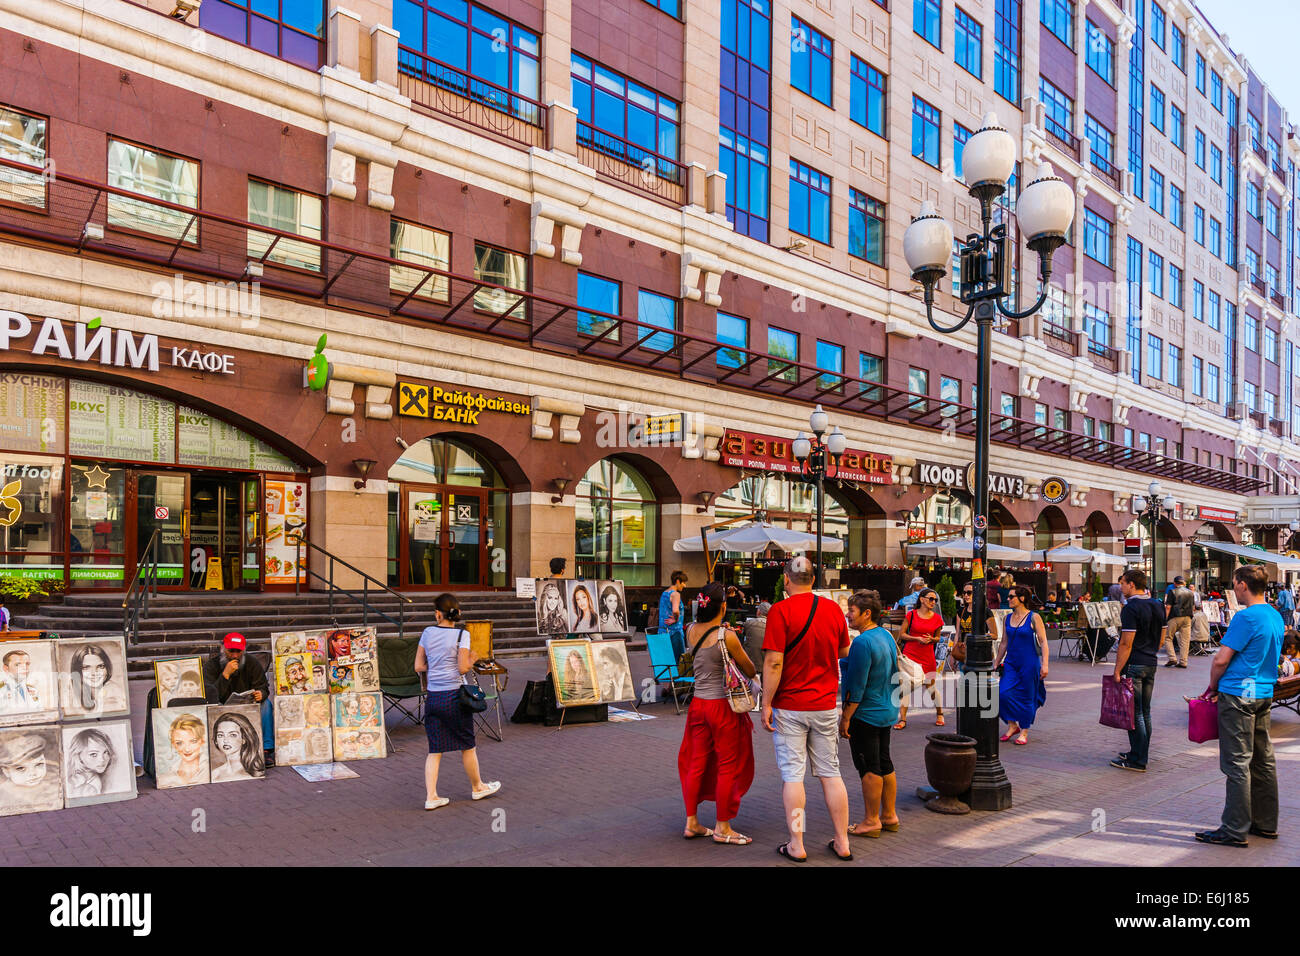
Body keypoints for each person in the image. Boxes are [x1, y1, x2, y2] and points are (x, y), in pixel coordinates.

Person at [762, 556, 853, 863]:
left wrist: (766, 703)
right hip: (825, 704)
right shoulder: (832, 610)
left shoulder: (780, 611)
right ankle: (842, 841)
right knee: (831, 774)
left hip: (790, 706)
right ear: (814, 579)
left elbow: (774, 662)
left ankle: (797, 842)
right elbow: (844, 651)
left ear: (787, 579)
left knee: (793, 776)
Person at [1195, 565, 1283, 847]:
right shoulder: (1274, 615)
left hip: (1237, 693)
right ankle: (1265, 823)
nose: (1234, 588)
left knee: (1236, 763)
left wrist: (1212, 687)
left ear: (1243, 585)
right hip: (1263, 692)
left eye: (1235, 583)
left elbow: (1220, 659)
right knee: (1263, 760)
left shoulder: (1246, 617)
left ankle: (1233, 829)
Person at [677, 582, 756, 846]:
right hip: (722, 707)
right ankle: (723, 826)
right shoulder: (726, 636)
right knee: (727, 765)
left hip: (697, 704)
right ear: (723, 606)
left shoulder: (690, 630)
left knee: (696, 762)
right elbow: (749, 667)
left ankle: (692, 822)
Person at [414, 593, 500, 810]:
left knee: (435, 750)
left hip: (434, 697)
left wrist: (436, 667)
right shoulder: (462, 635)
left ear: (437, 614)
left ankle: (431, 796)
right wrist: (471, 660)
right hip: (455, 696)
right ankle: (477, 786)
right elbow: (462, 668)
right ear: (457, 614)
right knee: (467, 745)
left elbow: (418, 666)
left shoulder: (427, 632)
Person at [840, 590, 901, 838]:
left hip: (866, 713)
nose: (847, 614)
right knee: (884, 762)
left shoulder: (862, 642)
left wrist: (845, 718)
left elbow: (856, 687)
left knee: (869, 767)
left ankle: (871, 821)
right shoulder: (884, 635)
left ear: (867, 613)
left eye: (852, 610)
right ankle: (889, 816)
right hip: (886, 708)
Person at [1110, 569, 1166, 772]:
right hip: (1151, 662)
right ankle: (1138, 752)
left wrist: (1117, 670)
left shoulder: (1131, 608)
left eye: (1123, 583)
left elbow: (1126, 643)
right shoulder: (1158, 605)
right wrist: (1149, 649)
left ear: (1132, 584)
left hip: (1134, 664)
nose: (1121, 587)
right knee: (1145, 712)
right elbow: (1162, 639)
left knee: (1136, 713)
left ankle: (1138, 759)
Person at [203, 633, 274, 766]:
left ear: (244, 650)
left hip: (247, 705)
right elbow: (209, 695)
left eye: (238, 651)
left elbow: (263, 686)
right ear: (223, 649)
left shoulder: (252, 663)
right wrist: (225, 675)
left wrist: (261, 693)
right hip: (222, 705)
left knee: (266, 704)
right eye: (231, 651)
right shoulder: (211, 666)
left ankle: (266, 749)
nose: (235, 655)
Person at [994, 586, 1049, 745]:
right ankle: (1012, 725)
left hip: (1029, 663)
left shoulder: (1034, 617)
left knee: (1027, 698)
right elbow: (1004, 643)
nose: (1008, 599)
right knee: (1001, 694)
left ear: (1022, 598)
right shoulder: (1007, 618)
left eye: (1011, 597)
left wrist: (1045, 664)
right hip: (1011, 663)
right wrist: (996, 662)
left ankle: (1023, 731)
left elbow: (1044, 641)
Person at [895, 587, 945, 729]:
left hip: (927, 655)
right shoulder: (911, 615)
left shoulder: (937, 618)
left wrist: (932, 639)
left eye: (935, 600)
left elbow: (938, 638)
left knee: (931, 686)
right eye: (931, 598)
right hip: (911, 654)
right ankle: (903, 719)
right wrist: (916, 638)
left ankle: (940, 713)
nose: (933, 602)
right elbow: (902, 634)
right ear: (922, 599)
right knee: (906, 686)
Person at [67, 643, 126, 716]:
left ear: (107, 668)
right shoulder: (70, 692)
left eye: (100, 666)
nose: (94, 673)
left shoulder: (116, 692)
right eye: (86, 667)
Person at [210, 711, 265, 782]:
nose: (225, 740)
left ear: (244, 739)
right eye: (220, 735)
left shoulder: (256, 773)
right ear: (216, 740)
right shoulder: (214, 774)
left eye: (232, 735)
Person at [65, 727, 116, 798]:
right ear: (78, 755)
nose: (102, 759)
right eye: (93, 754)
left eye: (106, 752)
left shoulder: (92, 787)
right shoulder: (71, 777)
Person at [159, 713, 207, 787]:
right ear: (173, 744)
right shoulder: (164, 779)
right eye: (179, 743)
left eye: (193, 741)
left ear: (202, 740)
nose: (187, 749)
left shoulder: (213, 771)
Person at [1163, 576, 1195, 669]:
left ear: (1175, 583)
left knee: (1168, 637)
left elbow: (1168, 607)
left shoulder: (1172, 591)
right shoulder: (1190, 592)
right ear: (1184, 583)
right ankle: (1183, 661)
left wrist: (1165, 618)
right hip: (1187, 617)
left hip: (1175, 617)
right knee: (1185, 640)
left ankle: (1172, 657)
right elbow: (1193, 607)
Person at [0, 648, 41, 713]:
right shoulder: (1, 690)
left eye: (27, 664)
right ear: (6, 668)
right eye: (18, 664)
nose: (24, 667)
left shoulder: (33, 690)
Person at [659, 571, 688, 658]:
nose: (685, 585)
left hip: (663, 632)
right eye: (684, 582)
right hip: (675, 633)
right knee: (680, 662)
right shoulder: (676, 594)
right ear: (678, 581)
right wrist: (676, 618)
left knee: (666, 661)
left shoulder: (664, 593)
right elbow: (675, 610)